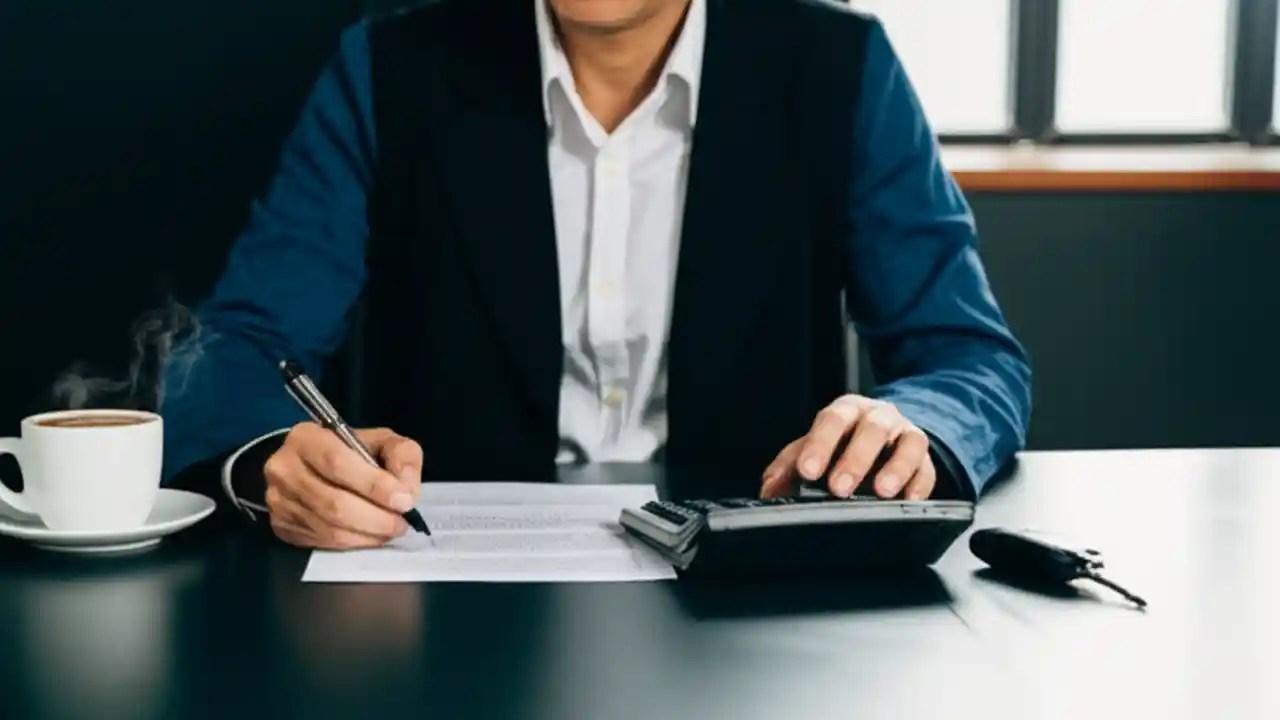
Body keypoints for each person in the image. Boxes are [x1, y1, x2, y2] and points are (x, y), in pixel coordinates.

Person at [162, 0, 1031, 550]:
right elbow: (243, 345)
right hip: (449, 596)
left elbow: (971, 360)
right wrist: (272, 460)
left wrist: (908, 427)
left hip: (749, 602)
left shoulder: (841, 65)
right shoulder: (389, 67)